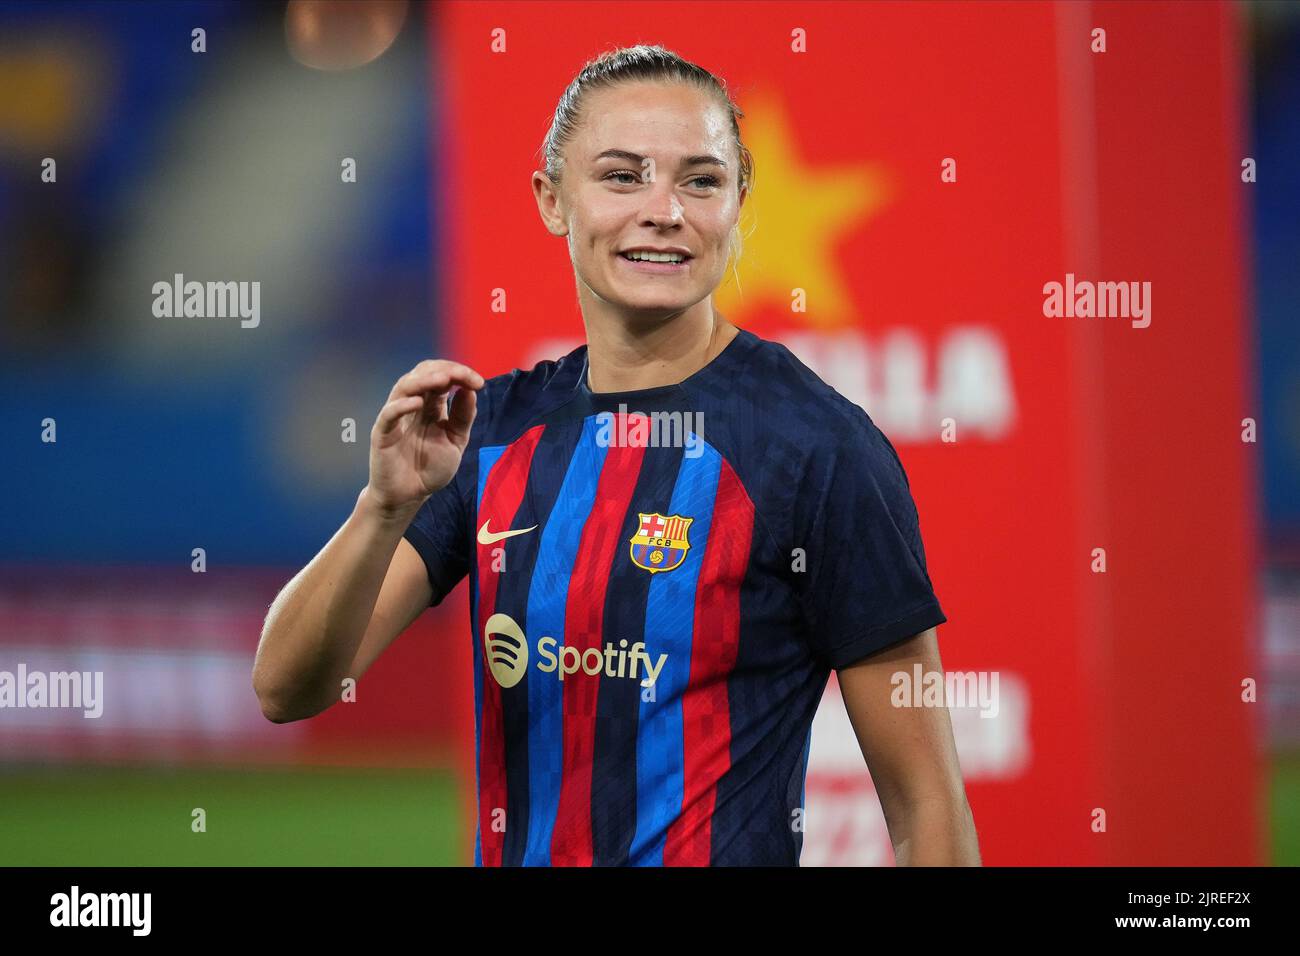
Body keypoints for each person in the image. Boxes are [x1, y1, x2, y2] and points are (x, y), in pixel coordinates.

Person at [253, 44, 979, 867]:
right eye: (622, 176)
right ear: (552, 200)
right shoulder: (486, 433)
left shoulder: (820, 448)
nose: (663, 210)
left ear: (738, 203)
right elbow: (286, 687)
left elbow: (927, 806)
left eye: (700, 180)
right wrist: (383, 509)